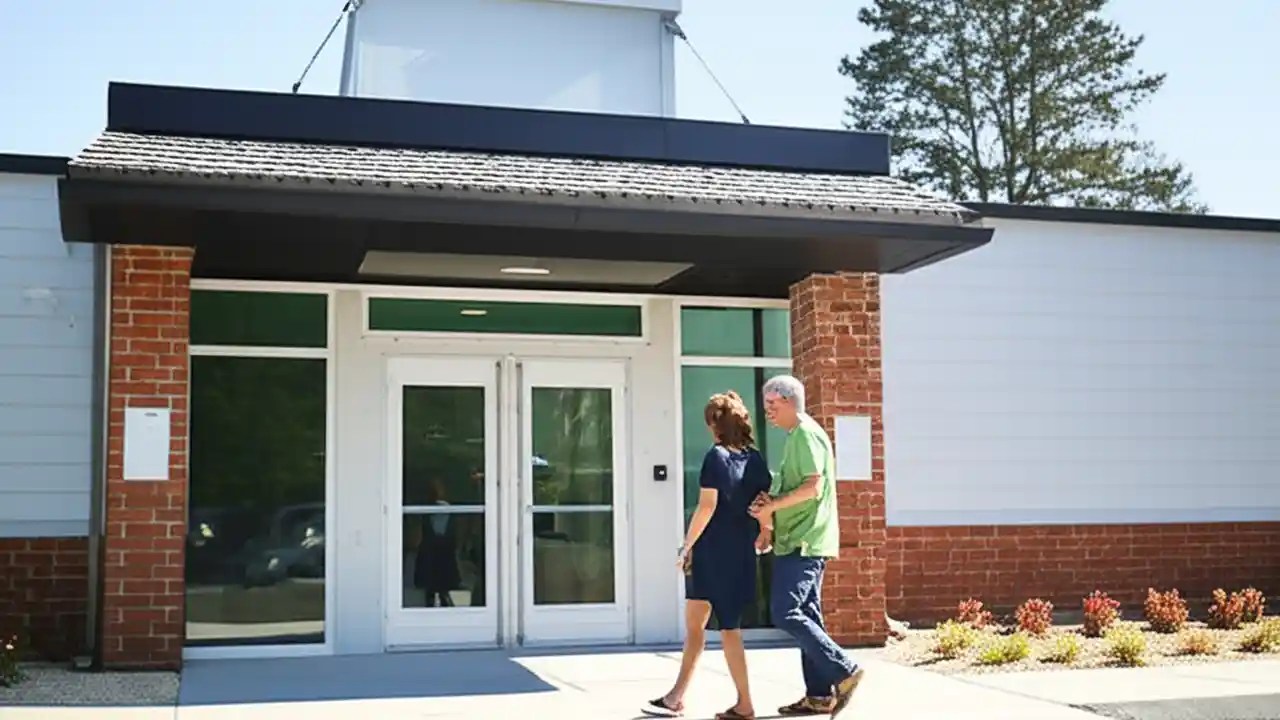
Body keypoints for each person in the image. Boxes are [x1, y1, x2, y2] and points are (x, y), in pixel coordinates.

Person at [643, 391, 773, 720]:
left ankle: (744, 704)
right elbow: (762, 504)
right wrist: (766, 530)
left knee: (708, 627)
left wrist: (686, 547)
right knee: (715, 625)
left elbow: (706, 507)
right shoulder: (756, 459)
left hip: (713, 552)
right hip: (740, 553)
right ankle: (676, 697)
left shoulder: (716, 457)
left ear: (716, 425)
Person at [749, 375, 865, 718]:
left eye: (771, 404)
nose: (767, 411)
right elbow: (797, 488)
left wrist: (771, 506)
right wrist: (768, 516)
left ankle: (844, 669)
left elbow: (813, 487)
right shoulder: (796, 437)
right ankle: (818, 696)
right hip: (798, 539)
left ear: (787, 401)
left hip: (805, 541)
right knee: (808, 615)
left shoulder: (805, 434)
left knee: (786, 610)